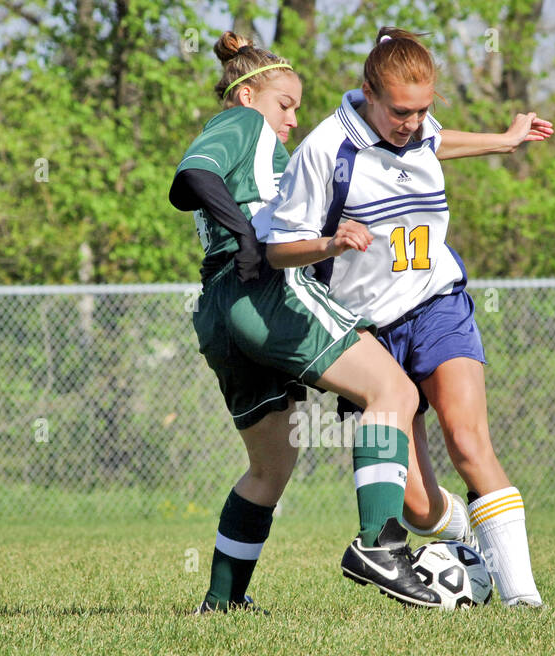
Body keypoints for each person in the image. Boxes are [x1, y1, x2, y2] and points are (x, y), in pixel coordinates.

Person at [257, 27, 550, 607]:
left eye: (422, 110)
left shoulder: (417, 129)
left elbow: (438, 142)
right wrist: (330, 242)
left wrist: (505, 141)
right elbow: (276, 248)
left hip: (438, 305)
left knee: (468, 441)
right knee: (418, 507)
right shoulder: (325, 150)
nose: (412, 123)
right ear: (367, 91)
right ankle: (467, 544)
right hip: (367, 332)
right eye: (400, 111)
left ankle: (523, 600)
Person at [170, 31, 442, 612]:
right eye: (283, 104)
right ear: (247, 97)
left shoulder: (266, 145)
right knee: (392, 390)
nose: (291, 118)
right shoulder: (242, 125)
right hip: (263, 292)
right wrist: (248, 236)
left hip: (219, 309)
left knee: (269, 468)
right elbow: (191, 178)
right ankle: (381, 545)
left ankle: (222, 602)